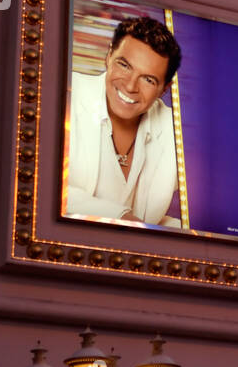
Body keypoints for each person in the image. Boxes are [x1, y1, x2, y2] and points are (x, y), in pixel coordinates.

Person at [66, 15, 182, 227]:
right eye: (124, 65)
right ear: (109, 56)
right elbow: (43, 188)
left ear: (164, 89)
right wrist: (123, 218)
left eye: (148, 79)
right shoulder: (65, 95)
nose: (130, 86)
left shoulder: (177, 130)